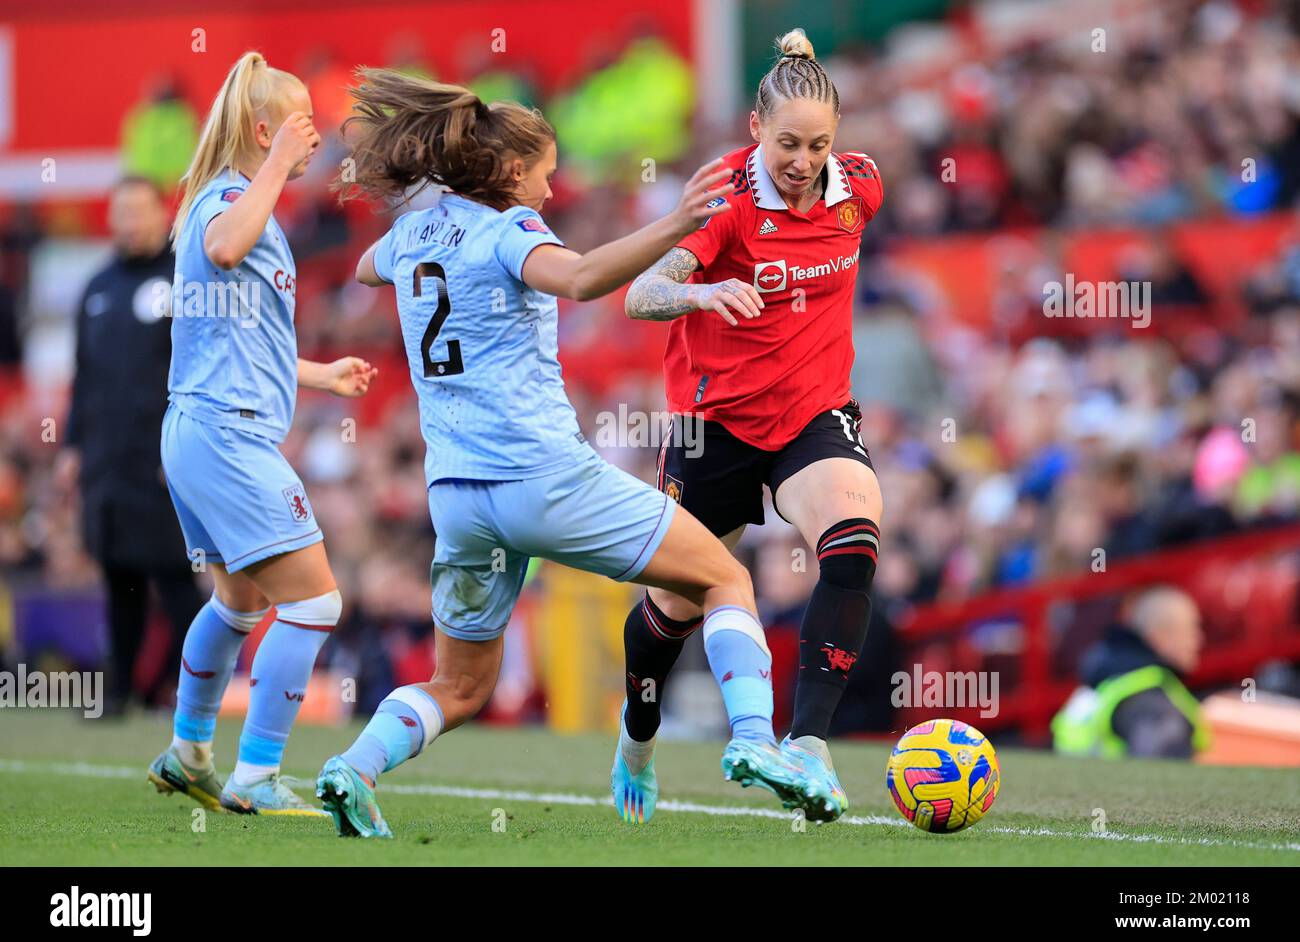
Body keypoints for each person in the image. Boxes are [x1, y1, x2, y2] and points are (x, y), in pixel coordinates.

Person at [314, 69, 832, 838]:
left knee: (458, 685)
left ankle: (351, 767)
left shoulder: (410, 235)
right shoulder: (510, 231)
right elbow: (584, 278)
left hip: (456, 497)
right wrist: (676, 226)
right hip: (542, 478)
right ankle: (759, 743)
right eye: (548, 176)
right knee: (725, 575)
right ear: (513, 173)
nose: (553, 194)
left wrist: (424, 231)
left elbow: (366, 268)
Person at [618, 28, 884, 821]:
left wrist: (803, 64)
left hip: (811, 413)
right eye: (787, 143)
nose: (803, 161)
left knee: (853, 543)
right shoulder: (729, 206)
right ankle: (637, 732)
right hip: (714, 425)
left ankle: (807, 745)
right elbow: (639, 295)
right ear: (754, 131)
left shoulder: (861, 187)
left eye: (818, 143)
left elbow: (828, 131)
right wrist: (700, 295)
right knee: (673, 609)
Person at [146, 52, 378, 816]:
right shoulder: (230, 198)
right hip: (224, 435)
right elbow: (222, 247)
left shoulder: (244, 201)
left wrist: (319, 376)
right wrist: (276, 165)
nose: (315, 134)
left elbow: (235, 338)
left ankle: (189, 750)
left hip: (203, 426)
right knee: (316, 605)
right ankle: (256, 774)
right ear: (262, 128)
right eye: (302, 118)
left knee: (240, 604)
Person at [57, 176, 204, 716]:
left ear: (159, 214)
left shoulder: (183, 279)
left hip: (164, 458)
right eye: (120, 212)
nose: (128, 222)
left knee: (175, 578)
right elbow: (82, 376)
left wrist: (187, 445)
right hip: (106, 461)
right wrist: (72, 448)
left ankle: (193, 691)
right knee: (119, 575)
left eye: (139, 212)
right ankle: (120, 691)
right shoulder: (97, 287)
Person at [1053, 586, 1211, 759]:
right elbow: (1160, 765)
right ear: (1160, 635)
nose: (1198, 639)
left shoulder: (1111, 678)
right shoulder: (1146, 697)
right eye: (1191, 629)